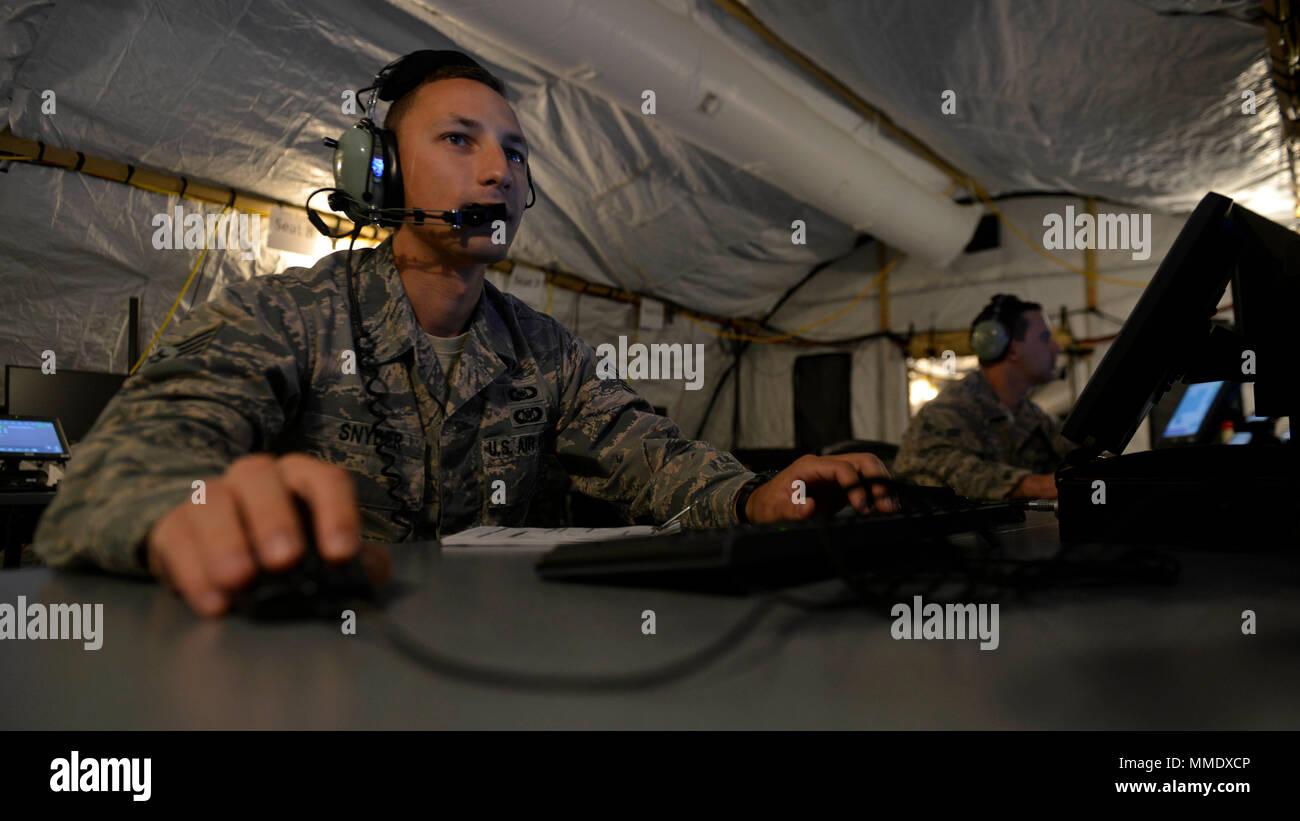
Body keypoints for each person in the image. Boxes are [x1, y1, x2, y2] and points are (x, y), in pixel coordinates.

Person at [31, 51, 894, 616]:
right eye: (459, 140)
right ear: (379, 170)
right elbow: (112, 475)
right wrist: (181, 509)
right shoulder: (286, 315)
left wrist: (760, 496)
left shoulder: (546, 351)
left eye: (515, 155)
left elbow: (654, 457)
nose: (497, 169)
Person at [894, 294, 1073, 500]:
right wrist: (1036, 486)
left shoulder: (1031, 415)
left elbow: (1072, 449)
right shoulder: (949, 410)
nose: (1056, 347)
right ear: (1013, 350)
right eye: (1044, 338)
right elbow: (925, 469)